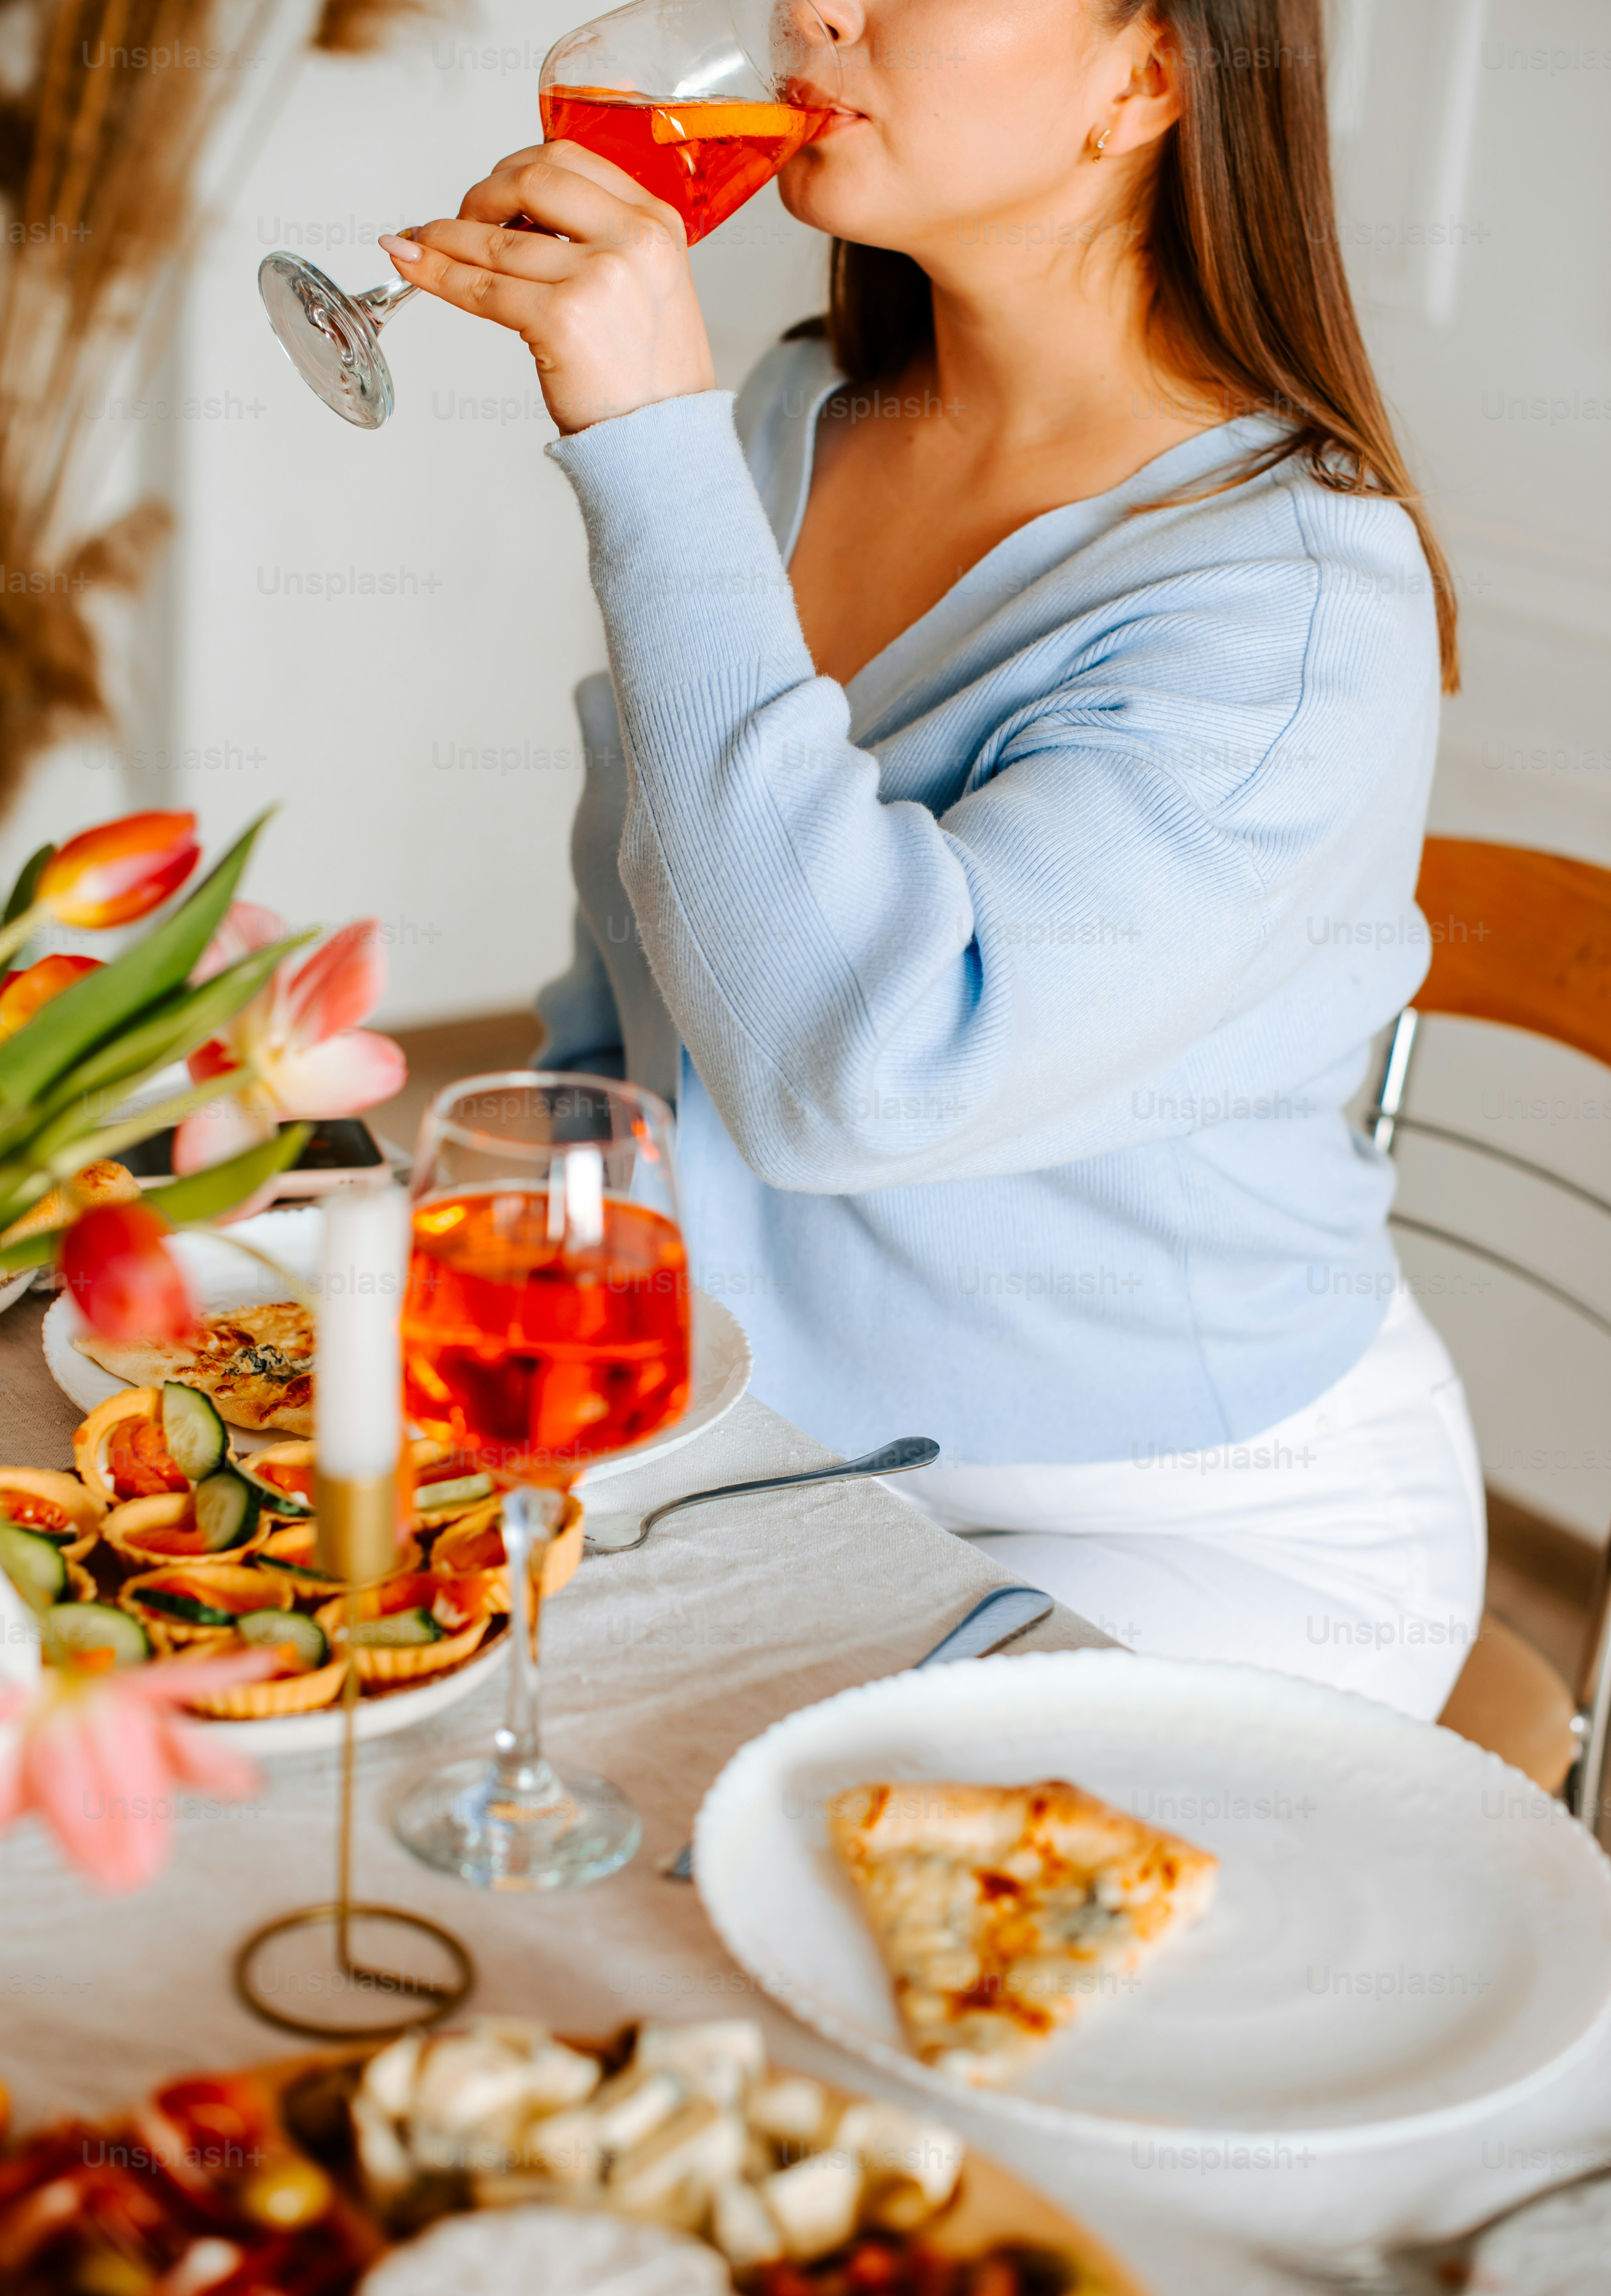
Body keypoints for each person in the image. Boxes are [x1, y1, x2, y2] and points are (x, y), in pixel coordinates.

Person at [379, 0, 1485, 1720]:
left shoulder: (1290, 599)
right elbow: (649, 952)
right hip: (763, 1442)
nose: (818, 7)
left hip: (1161, 1513)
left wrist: (645, 454)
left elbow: (855, 1080)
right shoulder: (791, 416)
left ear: (1150, 75)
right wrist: (478, 1214)